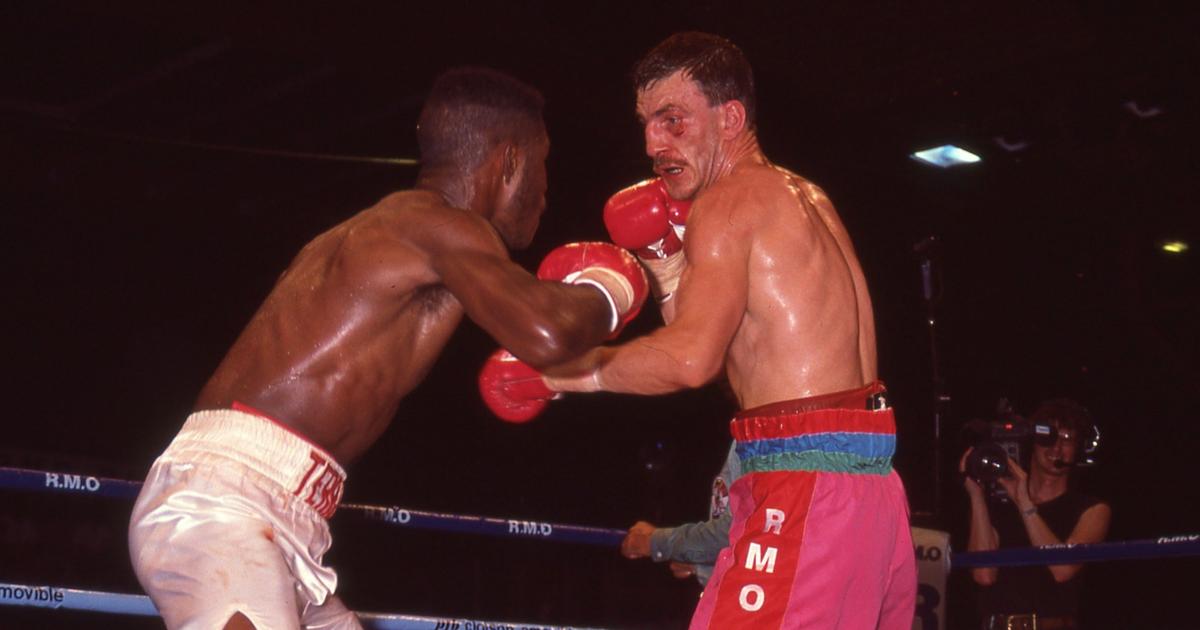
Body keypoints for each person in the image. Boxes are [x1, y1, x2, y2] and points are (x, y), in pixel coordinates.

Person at [126, 67, 648, 630]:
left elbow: (542, 339)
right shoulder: (434, 226)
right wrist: (616, 284)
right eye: (545, 166)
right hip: (224, 504)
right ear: (510, 162)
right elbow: (547, 333)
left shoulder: (396, 235)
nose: (547, 193)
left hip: (279, 513)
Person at [484, 32, 917, 628]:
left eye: (673, 121)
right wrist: (663, 260)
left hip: (807, 486)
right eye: (646, 124)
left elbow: (691, 358)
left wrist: (564, 373)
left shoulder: (730, 202)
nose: (652, 143)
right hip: (871, 490)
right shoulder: (804, 196)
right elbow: (734, 343)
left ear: (730, 117)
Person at [961, 398, 1111, 629]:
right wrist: (976, 495)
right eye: (1048, 437)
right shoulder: (998, 504)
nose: (1056, 448)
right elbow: (983, 574)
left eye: (1068, 439)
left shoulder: (1092, 509)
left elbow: (1062, 569)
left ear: (1080, 447)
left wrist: (1024, 503)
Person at [620, 443, 738, 586]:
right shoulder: (745, 436)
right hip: (744, 597)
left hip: (754, 601)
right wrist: (701, 567)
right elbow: (755, 554)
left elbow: (736, 534)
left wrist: (653, 542)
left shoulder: (761, 440)